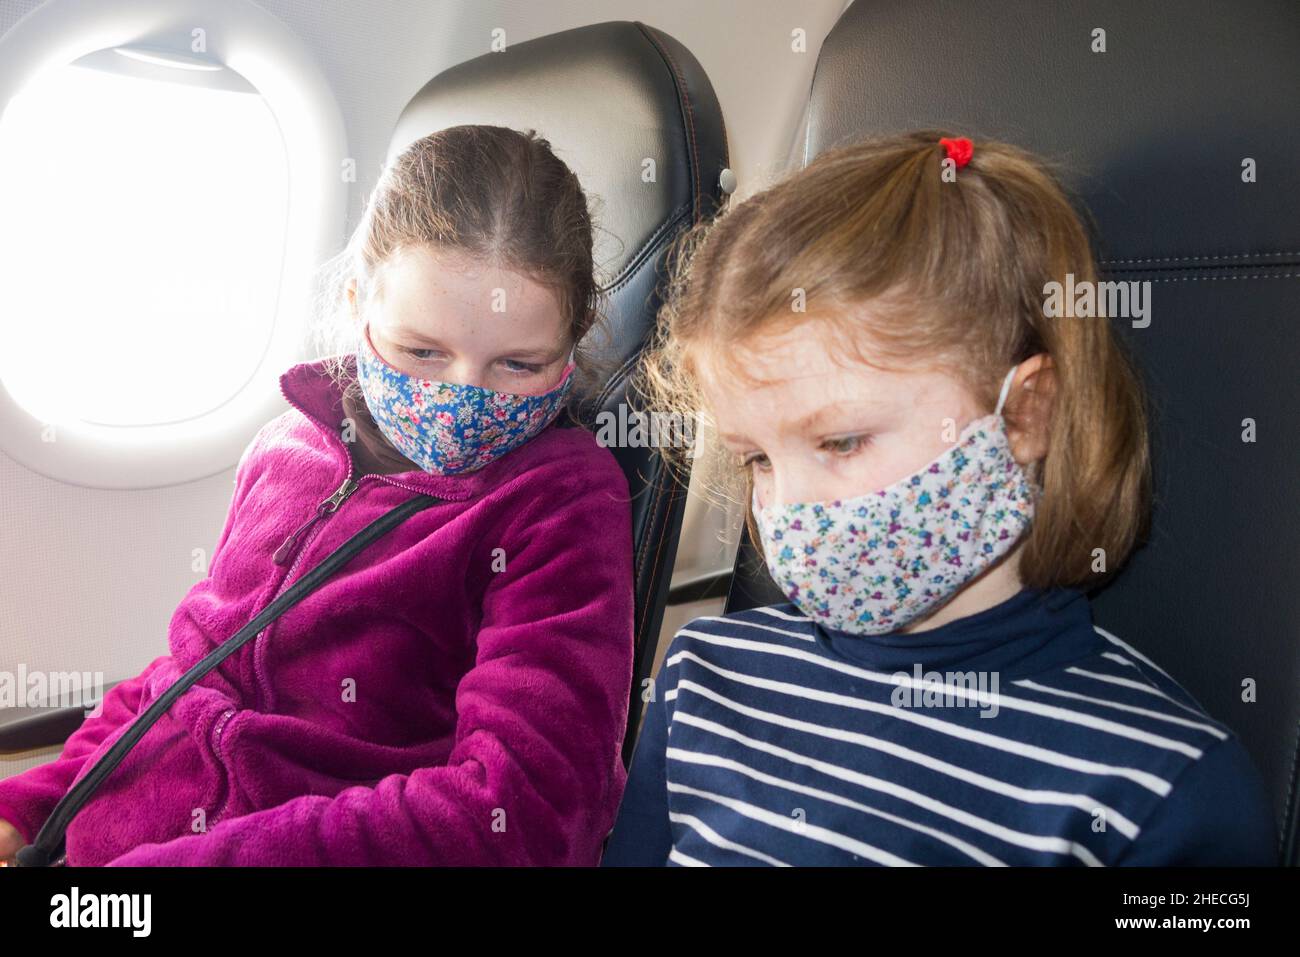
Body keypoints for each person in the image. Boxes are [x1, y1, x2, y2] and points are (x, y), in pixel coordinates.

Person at [602, 131, 1278, 866]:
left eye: (842, 442)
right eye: (757, 459)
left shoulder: (1161, 792)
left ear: (1026, 416)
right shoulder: (705, 677)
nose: (787, 511)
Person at [0, 125, 635, 866]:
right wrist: (30, 806)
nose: (462, 398)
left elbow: (521, 810)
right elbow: (185, 672)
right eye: (421, 351)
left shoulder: (561, 503)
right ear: (359, 299)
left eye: (518, 364)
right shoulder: (287, 449)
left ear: (575, 336)